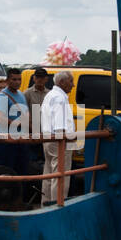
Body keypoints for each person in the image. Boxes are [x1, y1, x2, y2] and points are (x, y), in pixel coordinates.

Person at [0, 68, 30, 201]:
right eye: (14, 79)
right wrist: (17, 124)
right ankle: (3, 200)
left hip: (21, 139)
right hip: (7, 141)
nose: (17, 82)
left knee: (22, 170)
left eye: (19, 79)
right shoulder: (2, 96)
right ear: (8, 80)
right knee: (6, 170)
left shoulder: (21, 94)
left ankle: (19, 199)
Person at [41, 71, 75, 206]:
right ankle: (58, 206)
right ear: (62, 82)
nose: (73, 85)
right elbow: (60, 126)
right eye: (71, 81)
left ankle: (46, 205)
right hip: (59, 141)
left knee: (49, 174)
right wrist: (67, 139)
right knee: (61, 175)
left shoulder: (50, 95)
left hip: (48, 139)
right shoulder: (59, 98)